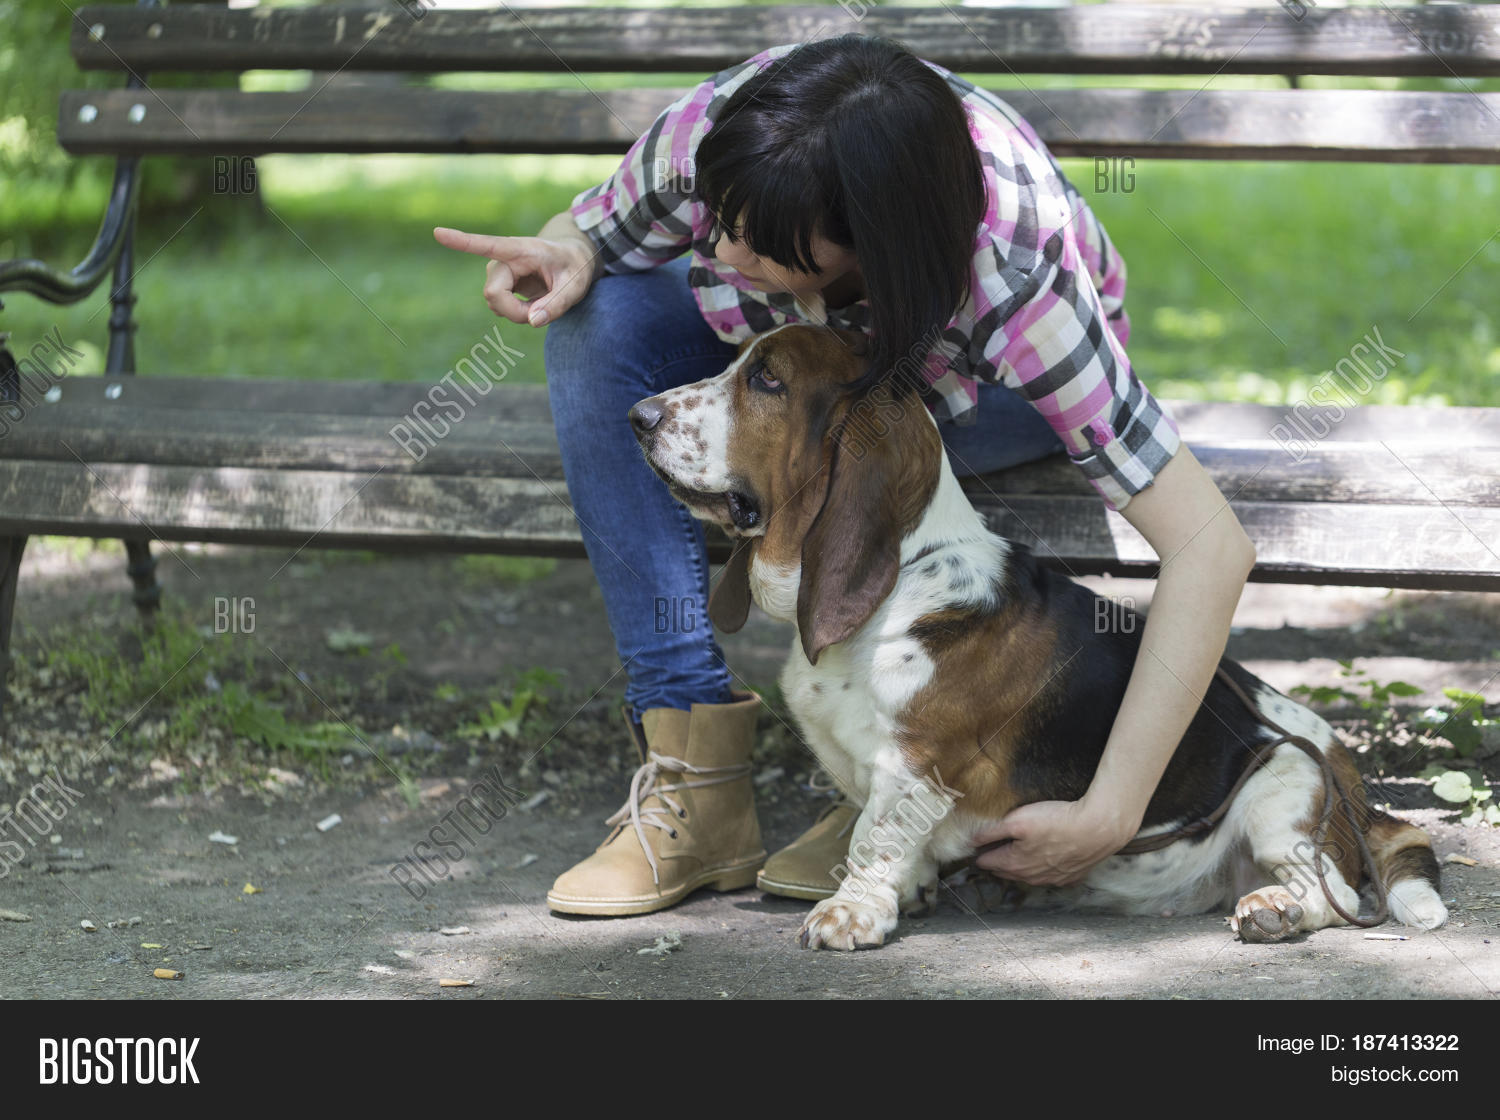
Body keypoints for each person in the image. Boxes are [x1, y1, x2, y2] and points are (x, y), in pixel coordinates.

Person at [434, 34, 1255, 917]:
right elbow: (590, 230)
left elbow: (1211, 548)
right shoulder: (728, 137)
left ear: (867, 250)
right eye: (717, 220)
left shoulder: (1018, 290)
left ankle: (879, 779)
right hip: (785, 364)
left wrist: (1112, 809)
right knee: (597, 320)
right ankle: (694, 776)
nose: (723, 250)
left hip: (979, 390)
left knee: (876, 436)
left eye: (761, 245)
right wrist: (568, 252)